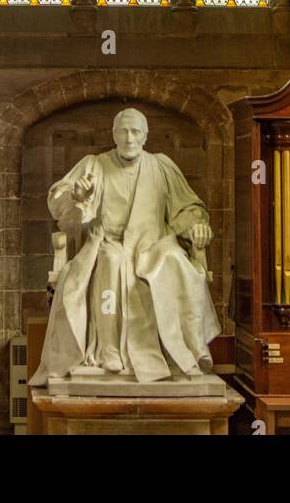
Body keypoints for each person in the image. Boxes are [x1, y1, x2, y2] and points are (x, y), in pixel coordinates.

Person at [30, 108, 220, 385]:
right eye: (123, 131)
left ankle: (183, 350)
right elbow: (58, 203)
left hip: (152, 244)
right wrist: (78, 196)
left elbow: (185, 207)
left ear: (145, 136)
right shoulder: (94, 164)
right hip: (107, 241)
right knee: (110, 261)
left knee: (176, 261)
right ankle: (109, 349)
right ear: (114, 135)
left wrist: (196, 225)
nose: (129, 138)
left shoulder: (161, 166)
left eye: (135, 132)